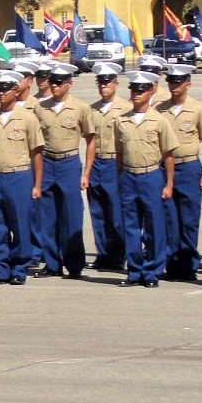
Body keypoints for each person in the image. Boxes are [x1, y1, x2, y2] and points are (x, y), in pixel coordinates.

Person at [0, 70, 45, 285]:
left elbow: (36, 153)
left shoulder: (28, 118)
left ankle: (20, 268)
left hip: (19, 176)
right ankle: (2, 268)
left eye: (6, 89)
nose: (2, 93)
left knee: (20, 225)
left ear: (16, 91)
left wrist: (37, 184)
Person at [113, 71, 178, 287]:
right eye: (133, 90)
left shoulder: (159, 120)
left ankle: (152, 271)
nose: (136, 94)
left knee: (154, 226)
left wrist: (169, 184)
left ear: (150, 92)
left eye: (141, 90)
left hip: (151, 175)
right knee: (130, 226)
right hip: (129, 176)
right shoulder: (121, 121)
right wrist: (120, 178)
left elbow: (168, 155)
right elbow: (120, 154)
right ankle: (134, 271)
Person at [30, 63, 95, 279]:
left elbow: (91, 140)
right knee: (46, 217)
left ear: (70, 83)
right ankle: (51, 263)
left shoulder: (80, 108)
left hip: (69, 163)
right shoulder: (41, 107)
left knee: (71, 217)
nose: (54, 85)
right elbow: (36, 142)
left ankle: (74, 264)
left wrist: (86, 173)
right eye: (52, 81)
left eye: (59, 82)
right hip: (47, 163)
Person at [155, 64, 202, 281]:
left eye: (178, 81)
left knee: (189, 220)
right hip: (165, 170)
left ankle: (189, 265)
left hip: (189, 167)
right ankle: (173, 265)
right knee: (169, 219)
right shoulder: (159, 110)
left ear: (188, 84)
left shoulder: (198, 109)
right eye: (171, 81)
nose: (173, 85)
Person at [85, 62, 129, 271]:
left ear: (116, 84)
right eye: (100, 83)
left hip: (114, 162)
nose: (103, 87)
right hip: (96, 163)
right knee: (98, 212)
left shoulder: (126, 108)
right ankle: (103, 254)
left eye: (107, 83)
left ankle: (118, 255)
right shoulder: (91, 110)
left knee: (116, 212)